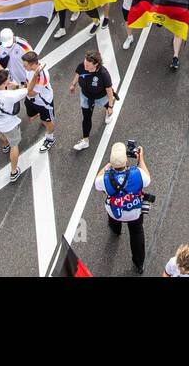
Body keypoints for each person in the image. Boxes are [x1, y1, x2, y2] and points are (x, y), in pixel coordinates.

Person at [94, 141, 152, 273]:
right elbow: (147, 178)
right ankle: (139, 263)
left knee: (113, 219)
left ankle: (116, 230)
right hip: (134, 211)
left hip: (115, 211)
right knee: (137, 232)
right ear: (126, 161)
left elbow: (97, 180)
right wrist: (140, 159)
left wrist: (109, 164)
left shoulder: (104, 179)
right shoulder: (137, 173)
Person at [0, 69, 30, 184]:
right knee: (15, 145)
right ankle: (13, 171)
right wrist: (16, 86)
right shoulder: (9, 95)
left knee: (1, 135)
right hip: (9, 125)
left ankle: (4, 146)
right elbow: (27, 90)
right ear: (5, 82)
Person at [69, 50, 114, 150]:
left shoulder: (103, 74)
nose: (85, 67)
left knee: (107, 106)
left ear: (96, 64)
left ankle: (107, 111)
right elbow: (78, 73)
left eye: (88, 65)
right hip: (86, 96)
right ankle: (85, 140)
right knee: (86, 118)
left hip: (101, 97)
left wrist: (110, 106)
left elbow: (109, 91)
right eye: (85, 63)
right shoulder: (82, 66)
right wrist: (73, 84)